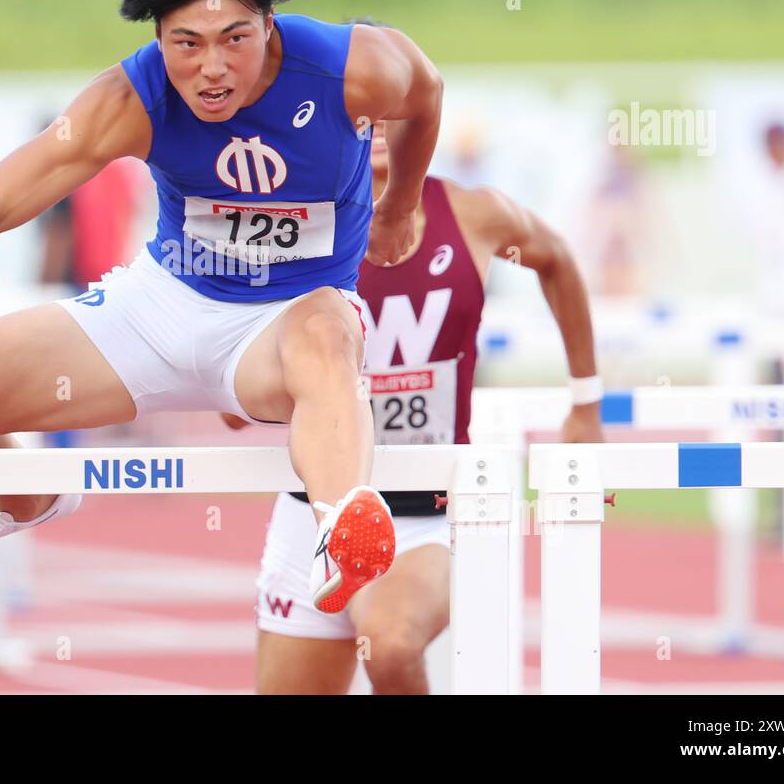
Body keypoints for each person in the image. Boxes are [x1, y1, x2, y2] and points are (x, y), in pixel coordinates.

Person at [0, 0, 445, 617]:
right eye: (186, 44)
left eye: (234, 39)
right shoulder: (129, 100)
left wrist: (401, 205)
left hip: (286, 322)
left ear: (269, 23)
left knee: (329, 333)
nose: (210, 69)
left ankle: (342, 530)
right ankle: (27, 492)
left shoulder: (351, 69)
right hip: (158, 307)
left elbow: (427, 95)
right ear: (157, 37)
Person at [226, 116, 604, 693]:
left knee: (392, 643)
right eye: (357, 112)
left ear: (420, 124)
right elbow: (236, 405)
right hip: (317, 512)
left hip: (427, 510)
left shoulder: (473, 215)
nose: (376, 126)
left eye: (391, 112)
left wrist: (585, 403)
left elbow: (555, 258)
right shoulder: (290, 228)